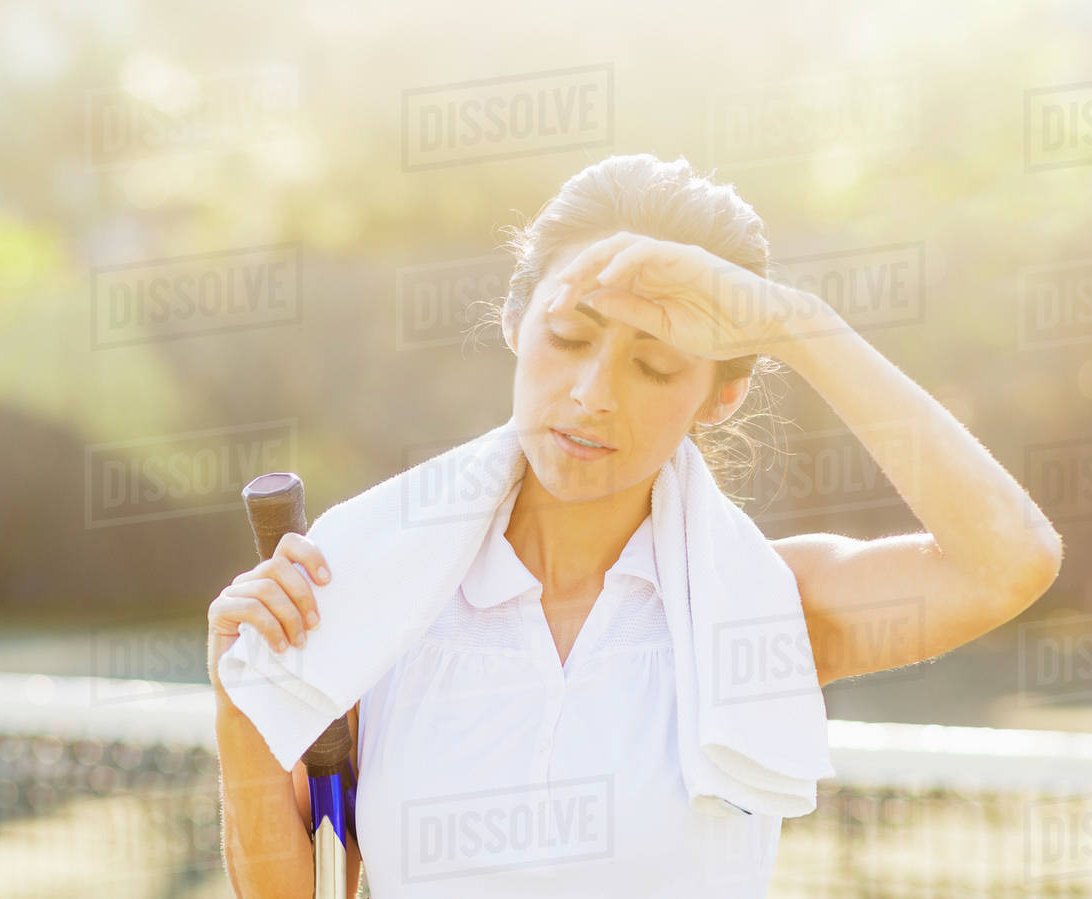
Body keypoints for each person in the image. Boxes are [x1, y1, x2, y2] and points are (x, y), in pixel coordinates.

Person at [207, 153, 1065, 898]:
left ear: (720, 396)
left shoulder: (768, 612)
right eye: (569, 336)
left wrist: (796, 325)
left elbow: (1010, 562)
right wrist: (240, 691)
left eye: (655, 364)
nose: (592, 395)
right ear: (514, 322)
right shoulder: (379, 588)